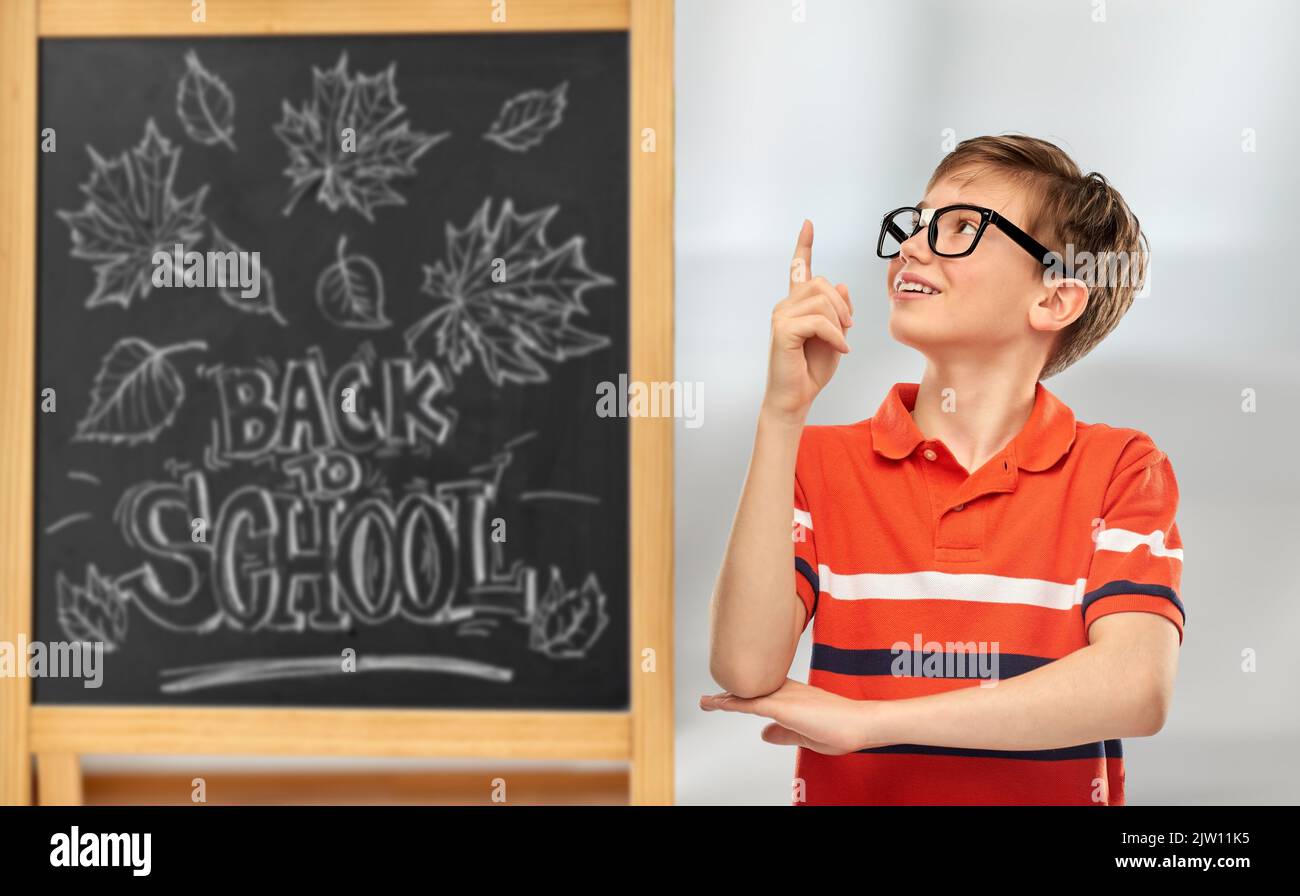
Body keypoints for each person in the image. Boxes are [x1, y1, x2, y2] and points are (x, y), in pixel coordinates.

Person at [703, 135, 1183, 805]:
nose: (913, 247)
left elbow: (1136, 688)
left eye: (960, 227)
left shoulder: (1122, 469)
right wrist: (782, 416)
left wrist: (871, 725)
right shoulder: (816, 460)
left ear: (1054, 299)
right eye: (917, 223)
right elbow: (746, 670)